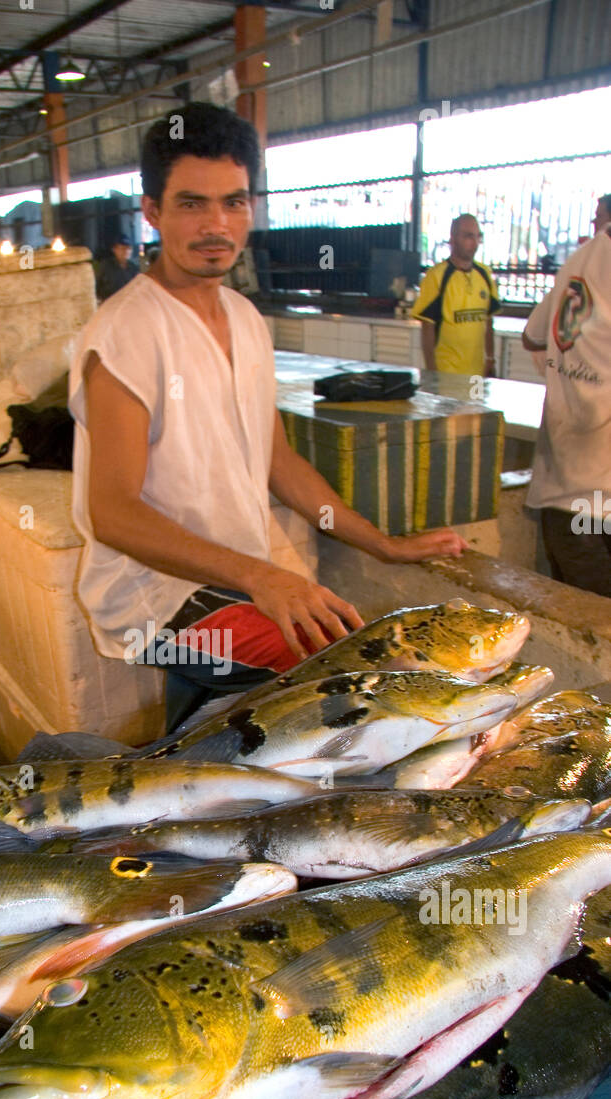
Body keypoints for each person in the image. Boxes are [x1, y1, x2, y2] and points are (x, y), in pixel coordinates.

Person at [69, 103, 467, 730]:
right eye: (192, 204)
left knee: (220, 722)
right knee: (334, 670)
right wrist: (264, 576)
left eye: (234, 202)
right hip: (153, 600)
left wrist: (383, 545)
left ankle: (189, 784)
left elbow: (278, 460)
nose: (216, 225)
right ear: (153, 213)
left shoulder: (247, 321)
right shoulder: (126, 332)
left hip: (230, 581)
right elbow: (112, 512)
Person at [522, 221, 611, 596]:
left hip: (564, 499)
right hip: (600, 494)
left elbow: (532, 336)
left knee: (580, 635)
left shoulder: (579, 259)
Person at [412, 215, 500, 375]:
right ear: (453, 239)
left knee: (477, 400)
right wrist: (433, 375)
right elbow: (428, 330)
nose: (474, 242)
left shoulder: (485, 274)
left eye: (477, 236)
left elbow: (488, 322)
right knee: (451, 401)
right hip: (448, 374)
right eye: (468, 236)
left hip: (476, 376)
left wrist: (491, 359)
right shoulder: (436, 277)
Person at [94, 234, 139, 301]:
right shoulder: (105, 266)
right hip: (110, 305)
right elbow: (96, 287)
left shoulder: (134, 268)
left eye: (128, 248)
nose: (126, 251)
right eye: (122, 248)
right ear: (114, 249)